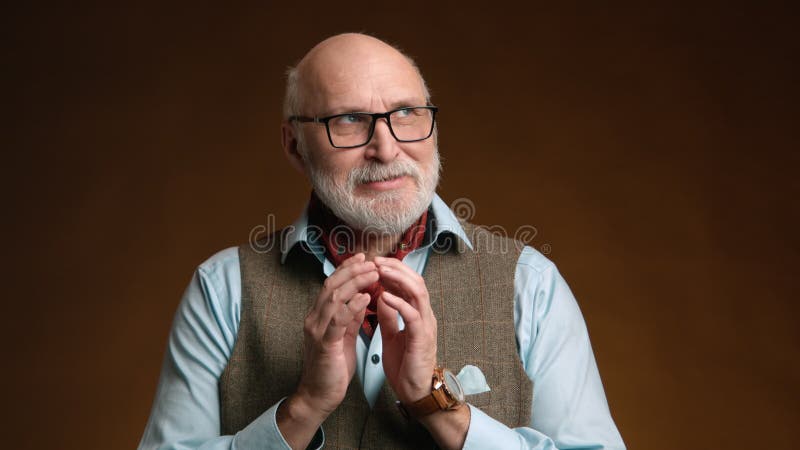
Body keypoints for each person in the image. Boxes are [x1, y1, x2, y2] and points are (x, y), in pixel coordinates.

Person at [138, 33, 625, 450]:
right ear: (294, 145)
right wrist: (303, 409)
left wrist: (438, 406)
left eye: (407, 112)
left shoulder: (529, 284)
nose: (386, 148)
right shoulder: (223, 288)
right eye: (349, 119)